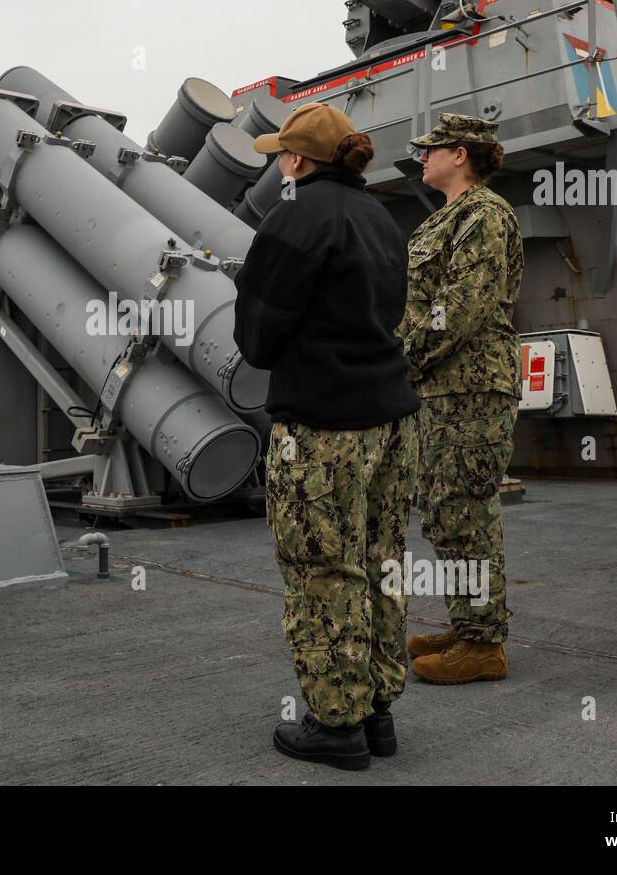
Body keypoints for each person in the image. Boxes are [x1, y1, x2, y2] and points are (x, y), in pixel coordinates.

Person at [234, 102, 420, 771]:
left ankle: (335, 725)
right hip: (393, 421)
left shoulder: (294, 219)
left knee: (321, 571)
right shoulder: (384, 220)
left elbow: (257, 340)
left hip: (323, 428)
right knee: (379, 562)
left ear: (295, 160)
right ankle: (377, 713)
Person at [399, 113, 523, 684]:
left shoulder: (484, 215)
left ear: (462, 154)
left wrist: (401, 359)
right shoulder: (450, 217)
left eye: (432, 149)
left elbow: (461, 307)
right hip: (445, 387)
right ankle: (467, 622)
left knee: (466, 512)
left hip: (470, 386)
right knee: (447, 511)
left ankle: (483, 644)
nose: (422, 157)